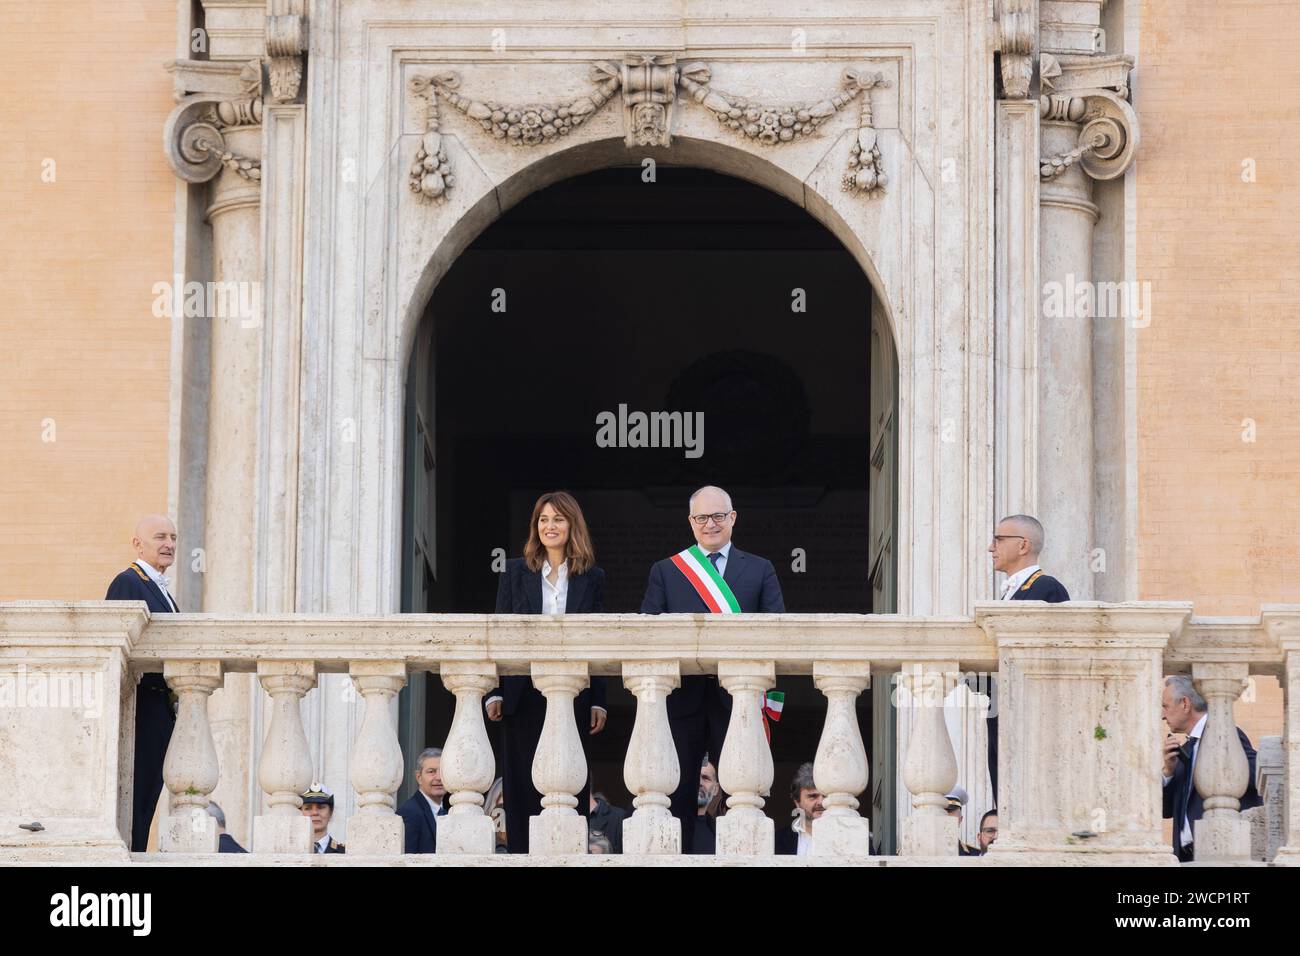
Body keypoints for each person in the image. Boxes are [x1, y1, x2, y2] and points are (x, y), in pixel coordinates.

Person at [642, 486, 785, 853]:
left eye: (719, 516)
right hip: (681, 699)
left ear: (733, 518)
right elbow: (647, 637)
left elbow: (778, 632)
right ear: (691, 523)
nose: (711, 524)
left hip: (736, 698)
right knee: (677, 790)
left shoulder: (760, 569)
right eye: (702, 518)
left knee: (743, 792)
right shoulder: (667, 571)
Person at [486, 491, 607, 853]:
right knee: (522, 781)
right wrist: (494, 690)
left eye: (558, 519)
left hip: (574, 696)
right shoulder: (513, 570)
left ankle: (567, 853)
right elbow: (500, 634)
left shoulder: (592, 576)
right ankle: (524, 855)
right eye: (543, 519)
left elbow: (597, 641)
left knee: (570, 779)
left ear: (572, 525)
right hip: (522, 694)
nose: (549, 526)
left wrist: (599, 699)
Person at [105, 514, 181, 852]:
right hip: (141, 708)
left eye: (174, 538)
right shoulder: (128, 583)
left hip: (159, 709)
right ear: (138, 544)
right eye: (160, 537)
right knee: (135, 795)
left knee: (149, 793)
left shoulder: (160, 588)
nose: (169, 544)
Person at [986, 514, 1070, 803]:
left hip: (1031, 714)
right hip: (1002, 710)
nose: (990, 547)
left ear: (1023, 545)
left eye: (998, 539)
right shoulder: (1011, 592)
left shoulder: (1047, 588)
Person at [1161, 675, 1262, 862]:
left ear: (1185, 704)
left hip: (1220, 854)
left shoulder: (1224, 733)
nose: (1163, 715)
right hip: (1186, 858)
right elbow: (1165, 810)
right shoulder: (1184, 750)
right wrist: (1168, 772)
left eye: (1165, 706)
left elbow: (1255, 775)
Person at [396, 747, 448, 853]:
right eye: (431, 771)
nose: (439, 777)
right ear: (419, 777)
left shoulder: (446, 813)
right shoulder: (409, 812)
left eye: (443, 771)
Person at [775, 762, 824, 855]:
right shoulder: (777, 840)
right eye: (813, 796)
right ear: (797, 802)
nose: (821, 802)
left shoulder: (847, 836)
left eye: (825, 796)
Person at [301, 783, 345, 853]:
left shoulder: (344, 852)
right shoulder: (290, 851)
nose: (315, 812)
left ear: (330, 813)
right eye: (308, 808)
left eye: (321, 807)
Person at [693, 758, 721, 855]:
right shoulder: (673, 824)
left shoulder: (720, 834)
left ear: (716, 789)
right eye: (695, 776)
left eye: (705, 778)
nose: (699, 783)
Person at [945, 787, 980, 855]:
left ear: (960, 819)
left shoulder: (975, 855)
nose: (946, 817)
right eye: (942, 811)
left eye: (951, 812)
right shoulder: (920, 853)